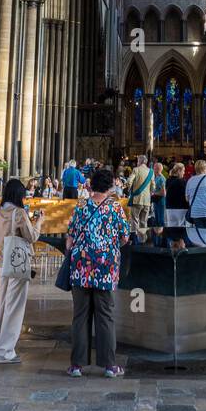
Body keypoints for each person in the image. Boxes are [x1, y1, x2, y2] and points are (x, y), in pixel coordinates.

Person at [65, 165, 130, 378]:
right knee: (106, 316)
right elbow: (124, 237)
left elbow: (69, 240)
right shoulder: (115, 208)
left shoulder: (81, 207)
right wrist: (107, 248)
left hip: (81, 268)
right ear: (110, 186)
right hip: (105, 268)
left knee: (80, 316)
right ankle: (110, 366)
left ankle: (76, 366)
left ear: (92, 186)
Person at [0, 178, 42, 363]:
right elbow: (32, 236)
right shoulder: (18, 213)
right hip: (17, 261)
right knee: (15, 306)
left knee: (2, 304)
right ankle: (5, 351)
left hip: (4, 259)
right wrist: (39, 222)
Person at [125, 154, 153, 244]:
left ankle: (135, 241)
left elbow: (129, 181)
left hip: (137, 199)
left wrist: (129, 190)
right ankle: (143, 240)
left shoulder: (136, 170)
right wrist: (149, 194)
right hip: (147, 201)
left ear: (140, 162)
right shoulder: (151, 172)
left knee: (135, 220)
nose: (137, 163)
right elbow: (153, 186)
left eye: (137, 161)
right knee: (144, 221)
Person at [164, 162, 188, 248]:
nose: (184, 173)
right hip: (181, 208)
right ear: (179, 171)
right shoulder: (182, 182)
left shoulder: (168, 180)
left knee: (172, 229)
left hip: (170, 208)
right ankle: (179, 247)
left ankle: (173, 247)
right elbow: (186, 196)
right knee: (181, 231)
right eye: (183, 171)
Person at [149, 161, 167, 245]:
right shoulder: (155, 177)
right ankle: (156, 242)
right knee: (156, 221)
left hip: (161, 201)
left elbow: (164, 193)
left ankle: (161, 242)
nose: (153, 168)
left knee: (160, 221)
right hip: (156, 201)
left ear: (158, 169)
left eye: (155, 167)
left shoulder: (161, 178)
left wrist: (153, 193)